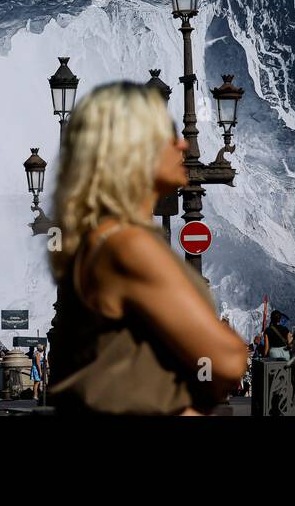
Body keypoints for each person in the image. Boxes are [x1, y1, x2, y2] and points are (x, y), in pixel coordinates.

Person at [47, 82, 248, 415]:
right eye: (169, 137)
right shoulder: (129, 246)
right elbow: (224, 359)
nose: (184, 144)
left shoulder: (100, 239)